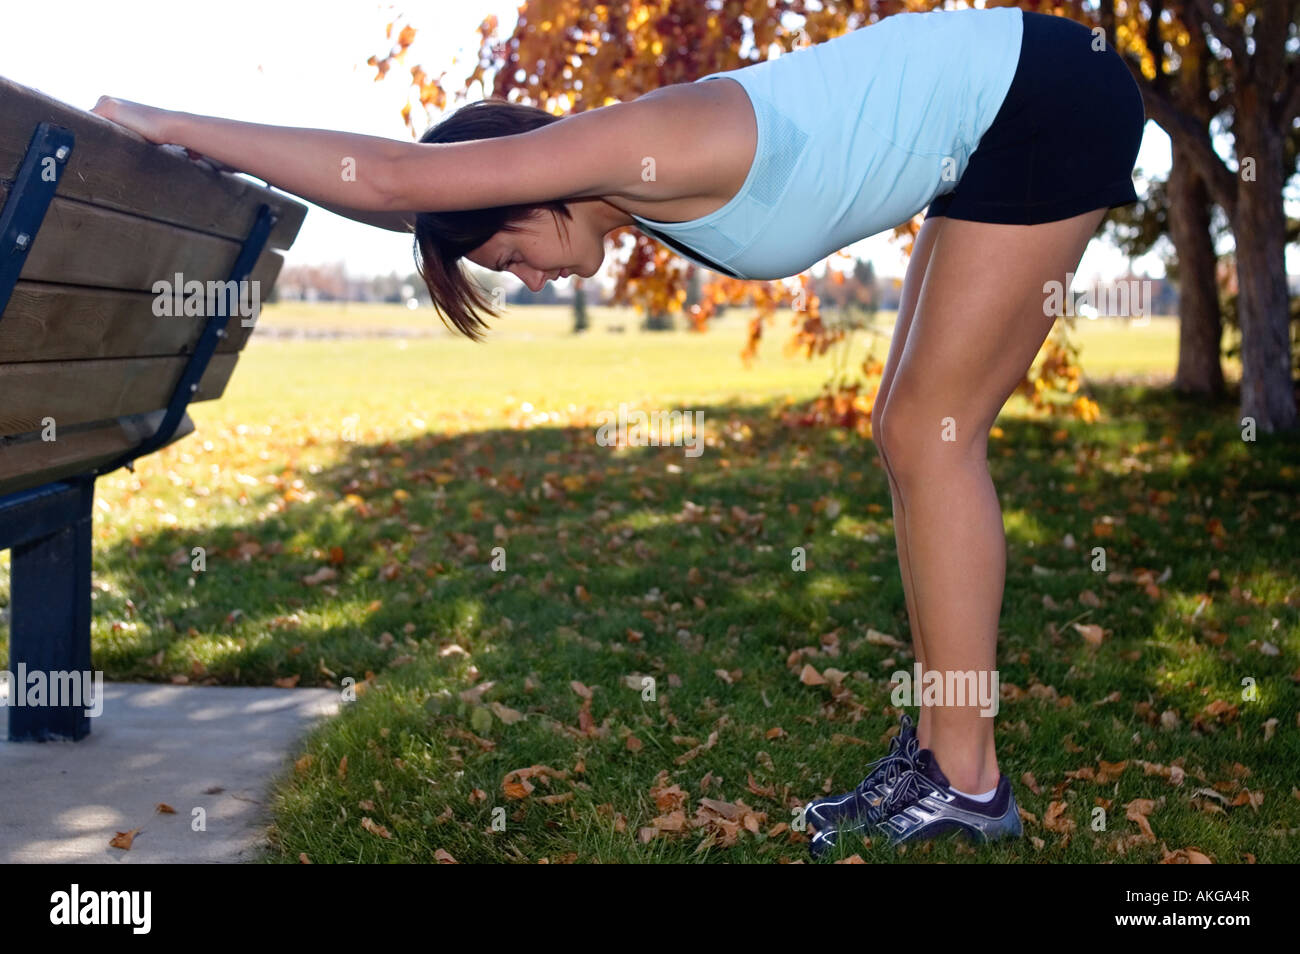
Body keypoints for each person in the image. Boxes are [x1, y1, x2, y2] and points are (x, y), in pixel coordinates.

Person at [93, 6, 1144, 859]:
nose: (529, 277)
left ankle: (965, 779)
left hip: (1040, 99)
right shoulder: (621, 186)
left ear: (522, 175)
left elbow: (405, 178)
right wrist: (286, 175)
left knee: (929, 434)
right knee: (911, 431)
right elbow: (408, 203)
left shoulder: (629, 141)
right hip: (1014, 108)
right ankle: (942, 755)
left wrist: (174, 123)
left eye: (507, 249)